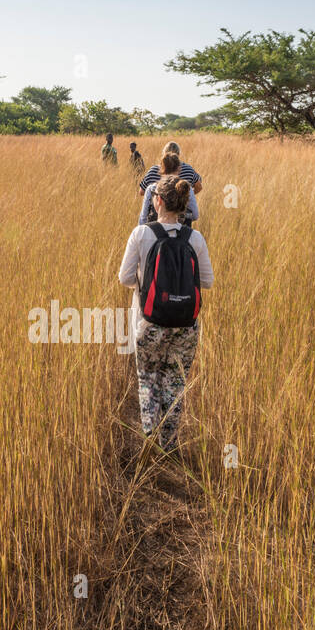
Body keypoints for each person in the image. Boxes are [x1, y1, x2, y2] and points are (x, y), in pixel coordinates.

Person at [118, 175, 214, 451]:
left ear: (157, 201)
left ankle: (150, 440)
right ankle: (169, 444)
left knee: (148, 378)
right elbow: (207, 281)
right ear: (185, 203)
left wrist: (148, 287)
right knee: (174, 382)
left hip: (149, 321)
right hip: (186, 325)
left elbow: (125, 278)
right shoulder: (195, 237)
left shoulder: (141, 234)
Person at [138, 152, 200, 225]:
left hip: (155, 233)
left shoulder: (152, 189)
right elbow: (195, 215)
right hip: (182, 233)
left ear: (161, 168)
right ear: (179, 168)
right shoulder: (186, 188)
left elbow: (143, 218)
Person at [137, 140, 201, 197]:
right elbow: (199, 187)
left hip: (157, 209)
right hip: (183, 209)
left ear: (164, 154)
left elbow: (141, 192)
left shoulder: (153, 170)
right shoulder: (188, 169)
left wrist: (156, 196)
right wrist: (186, 196)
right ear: (178, 154)